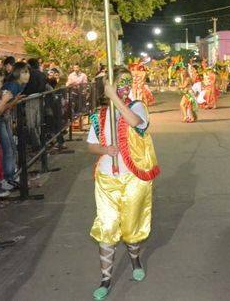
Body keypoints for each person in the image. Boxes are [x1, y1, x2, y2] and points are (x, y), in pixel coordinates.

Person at [87, 70, 160, 300]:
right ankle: (106, 279)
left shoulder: (137, 106)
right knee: (107, 227)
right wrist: (105, 149)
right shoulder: (100, 115)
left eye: (128, 83)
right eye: (120, 83)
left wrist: (114, 97)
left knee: (131, 227)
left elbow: (136, 123)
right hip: (107, 178)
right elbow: (91, 145)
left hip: (133, 178)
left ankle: (135, 260)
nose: (126, 87)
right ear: (109, 85)